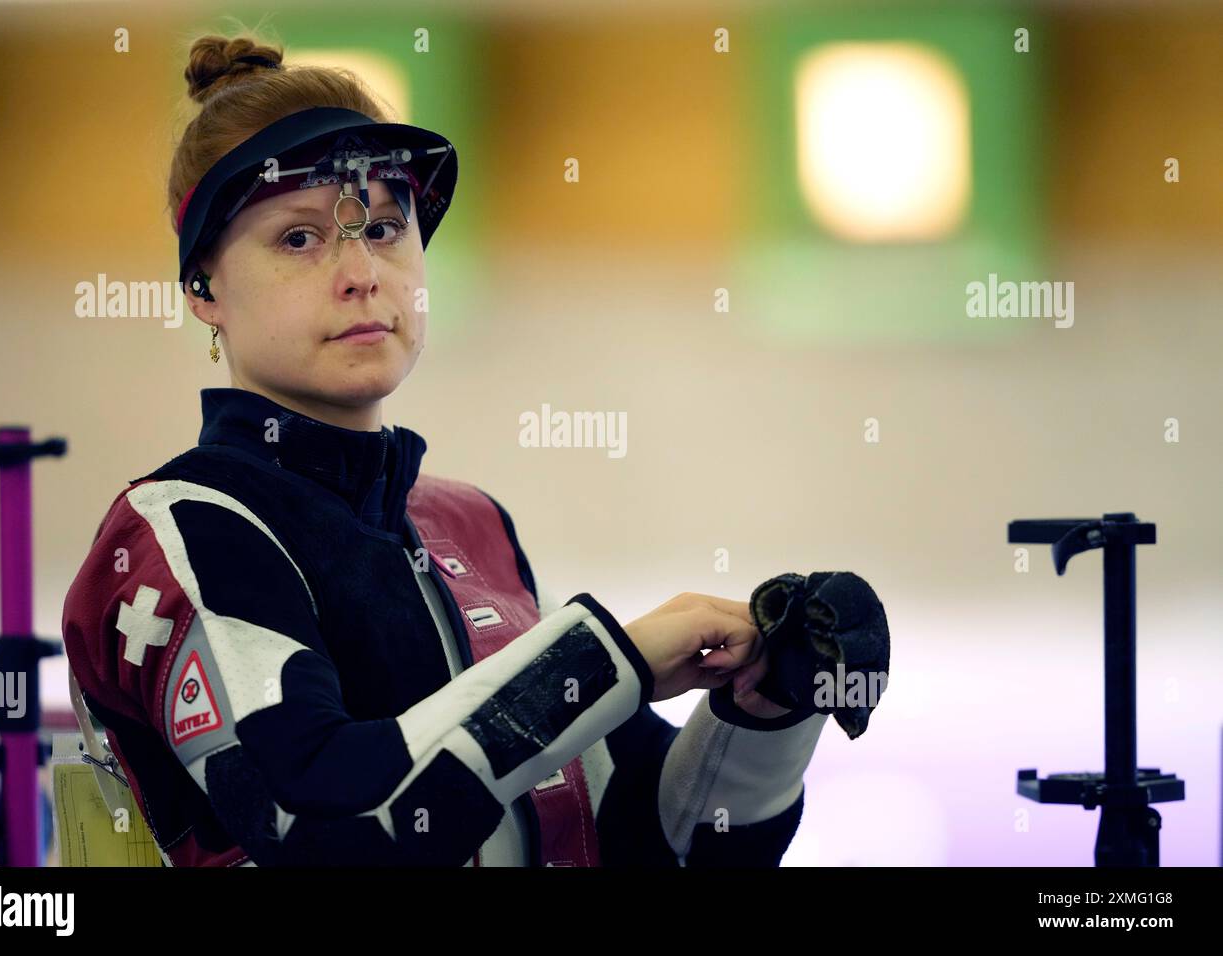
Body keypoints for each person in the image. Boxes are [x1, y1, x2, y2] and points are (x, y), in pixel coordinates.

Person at [60, 32, 829, 867]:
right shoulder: (182, 526)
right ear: (203, 289)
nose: (362, 273)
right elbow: (329, 828)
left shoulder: (469, 522)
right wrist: (614, 658)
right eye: (298, 239)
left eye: (387, 227)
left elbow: (662, 845)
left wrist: (769, 709)